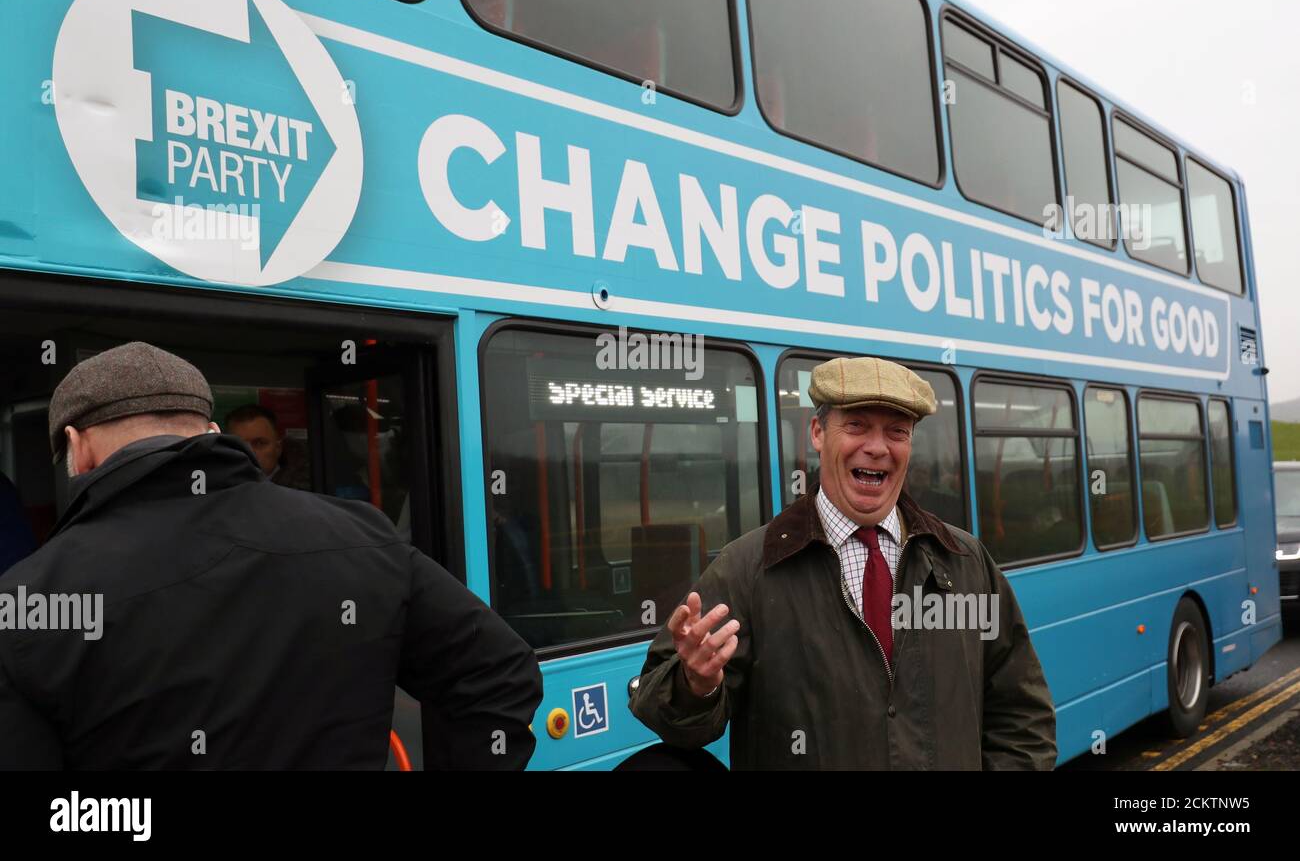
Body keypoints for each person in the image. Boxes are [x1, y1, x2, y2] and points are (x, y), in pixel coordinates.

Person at [0, 341, 541, 770]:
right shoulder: (362, 536)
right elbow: (500, 672)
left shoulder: (29, 599)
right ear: (210, 432)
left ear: (78, 444)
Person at [630, 356, 1057, 770]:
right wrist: (696, 686)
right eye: (856, 426)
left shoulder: (965, 562)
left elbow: (1023, 717)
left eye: (896, 432)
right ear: (817, 432)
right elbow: (660, 705)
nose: (877, 448)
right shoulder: (749, 568)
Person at [224, 403, 304, 489]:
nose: (250, 452)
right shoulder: (216, 489)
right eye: (239, 445)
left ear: (278, 449)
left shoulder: (302, 490)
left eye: (260, 443)